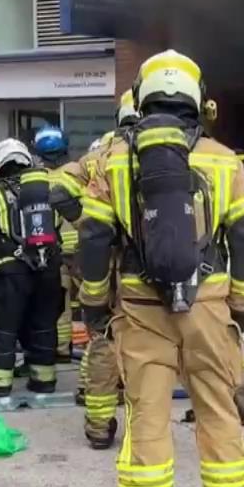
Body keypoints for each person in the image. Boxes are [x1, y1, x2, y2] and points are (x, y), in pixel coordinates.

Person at [80, 50, 244, 487]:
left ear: (141, 96)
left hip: (141, 309)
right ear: (197, 99)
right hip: (209, 307)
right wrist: (240, 304)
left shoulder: (112, 160)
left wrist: (94, 303)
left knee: (148, 420)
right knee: (219, 413)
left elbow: (93, 239)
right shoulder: (225, 160)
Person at [0, 139, 79, 396]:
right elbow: (68, 217)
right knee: (43, 325)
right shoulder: (48, 188)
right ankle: (44, 380)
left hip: (10, 272)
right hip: (47, 269)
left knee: (2, 326)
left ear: (2, 164)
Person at [70, 89, 139, 448]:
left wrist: (79, 218)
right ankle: (146, 428)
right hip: (149, 270)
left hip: (107, 265)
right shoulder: (172, 151)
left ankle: (98, 425)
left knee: (105, 340)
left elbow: (60, 189)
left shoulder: (101, 156)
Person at [33, 125, 80, 362]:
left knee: (60, 304)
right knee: (97, 302)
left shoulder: (37, 179)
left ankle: (61, 349)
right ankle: (102, 348)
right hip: (84, 249)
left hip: (56, 251)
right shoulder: (77, 172)